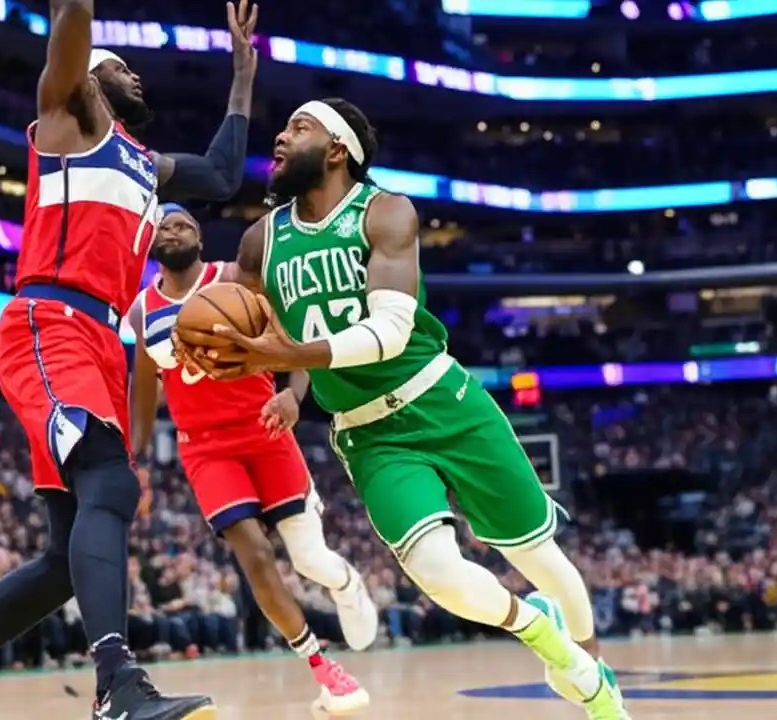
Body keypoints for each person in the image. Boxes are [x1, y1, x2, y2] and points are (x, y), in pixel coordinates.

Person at [0, 1, 258, 719]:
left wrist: (241, 78)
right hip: (50, 322)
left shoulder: (145, 162)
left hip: (102, 340)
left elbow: (224, 176)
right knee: (111, 481)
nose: (132, 72)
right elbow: (72, 15)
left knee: (65, 556)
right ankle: (117, 686)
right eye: (117, 65)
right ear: (89, 80)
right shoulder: (72, 121)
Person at [177, 97, 631, 720]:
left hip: (442, 399)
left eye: (298, 129)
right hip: (370, 433)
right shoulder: (262, 239)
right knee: (439, 573)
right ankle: (547, 638)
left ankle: (594, 668)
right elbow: (250, 329)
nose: (280, 139)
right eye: (281, 130)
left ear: (337, 150)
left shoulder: (386, 213)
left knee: (537, 554)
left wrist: (281, 358)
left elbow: (389, 330)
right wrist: (198, 346)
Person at [126, 204, 374, 714]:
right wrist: (135, 453)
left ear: (199, 237)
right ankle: (324, 670)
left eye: (185, 225)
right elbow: (145, 389)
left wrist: (294, 395)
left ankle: (346, 583)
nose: (174, 231)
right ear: (152, 244)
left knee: (308, 558)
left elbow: (294, 341)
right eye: (165, 226)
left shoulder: (235, 279)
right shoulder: (141, 311)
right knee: (255, 555)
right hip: (206, 448)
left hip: (265, 425)